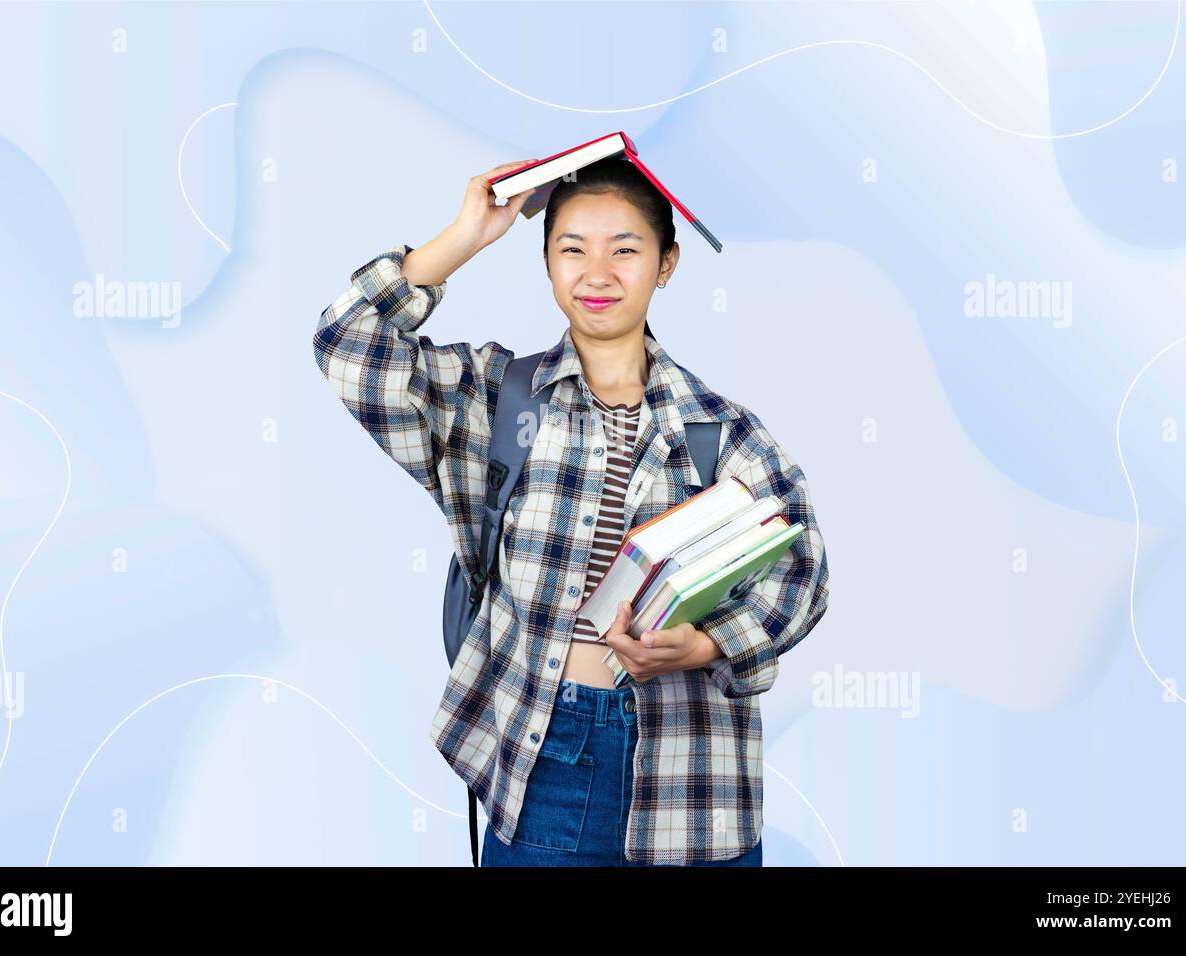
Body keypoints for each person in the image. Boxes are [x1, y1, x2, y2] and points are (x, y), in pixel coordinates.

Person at [312, 156, 830, 866]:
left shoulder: (720, 429)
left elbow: (803, 570)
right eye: (572, 249)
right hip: (539, 759)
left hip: (695, 784)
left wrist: (708, 644)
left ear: (666, 264)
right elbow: (346, 344)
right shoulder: (494, 400)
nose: (598, 273)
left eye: (626, 249)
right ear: (546, 263)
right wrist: (464, 237)